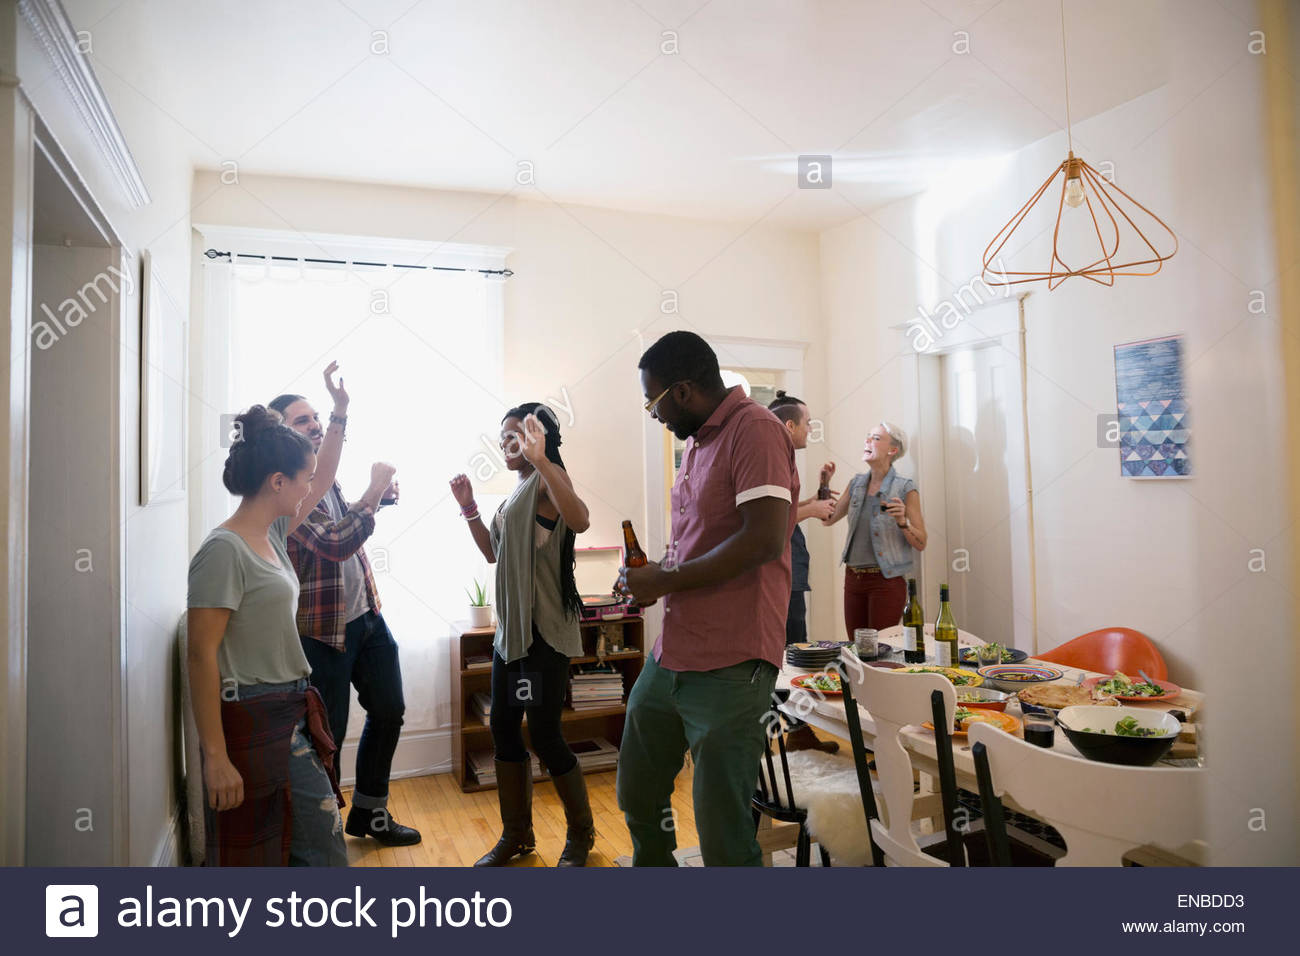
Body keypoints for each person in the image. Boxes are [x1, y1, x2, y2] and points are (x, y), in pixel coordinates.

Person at [617, 331, 799, 866]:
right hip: (674, 651)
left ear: (682, 391)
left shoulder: (757, 430)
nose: (653, 415)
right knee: (637, 790)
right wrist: (654, 575)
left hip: (732, 658)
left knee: (721, 827)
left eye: (653, 402)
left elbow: (764, 539)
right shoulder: (697, 442)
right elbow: (702, 537)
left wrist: (667, 582)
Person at [186, 362, 350, 866]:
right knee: (315, 851)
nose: (309, 488)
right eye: (299, 479)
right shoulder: (224, 550)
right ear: (277, 481)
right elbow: (199, 655)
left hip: (289, 708)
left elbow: (323, 475)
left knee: (294, 849)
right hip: (252, 712)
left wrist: (340, 414)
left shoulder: (272, 535)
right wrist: (215, 756)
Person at [268, 390, 420, 848]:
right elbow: (334, 542)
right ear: (280, 434)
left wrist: (376, 502)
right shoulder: (289, 489)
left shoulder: (322, 474)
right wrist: (374, 490)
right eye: (302, 421)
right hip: (321, 632)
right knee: (326, 737)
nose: (315, 425)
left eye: (316, 417)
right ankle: (324, 832)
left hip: (366, 616)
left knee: (389, 709)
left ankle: (371, 812)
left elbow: (342, 523)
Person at [449, 403, 596, 867]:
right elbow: (492, 552)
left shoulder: (548, 483)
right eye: (504, 437)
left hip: (542, 637)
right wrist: (469, 507)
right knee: (503, 729)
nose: (506, 444)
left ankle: (581, 836)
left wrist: (542, 460)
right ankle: (518, 837)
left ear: (540, 438)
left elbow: (582, 519)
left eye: (516, 436)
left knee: (547, 736)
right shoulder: (514, 494)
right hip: (509, 637)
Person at [767, 391, 839, 755]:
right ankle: (793, 732)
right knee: (792, 653)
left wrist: (818, 495)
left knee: (793, 651)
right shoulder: (776, 459)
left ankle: (797, 731)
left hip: (790, 571)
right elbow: (773, 518)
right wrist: (813, 510)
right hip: (782, 574)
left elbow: (790, 507)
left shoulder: (784, 457)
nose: (811, 428)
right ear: (790, 425)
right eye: (807, 423)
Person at [823, 421, 928, 638]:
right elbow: (828, 518)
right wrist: (824, 485)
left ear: (892, 450)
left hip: (886, 582)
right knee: (856, 648)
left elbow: (921, 542)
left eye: (876, 438)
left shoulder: (905, 487)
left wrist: (902, 521)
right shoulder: (856, 484)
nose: (867, 440)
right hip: (853, 579)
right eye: (867, 436)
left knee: (880, 650)